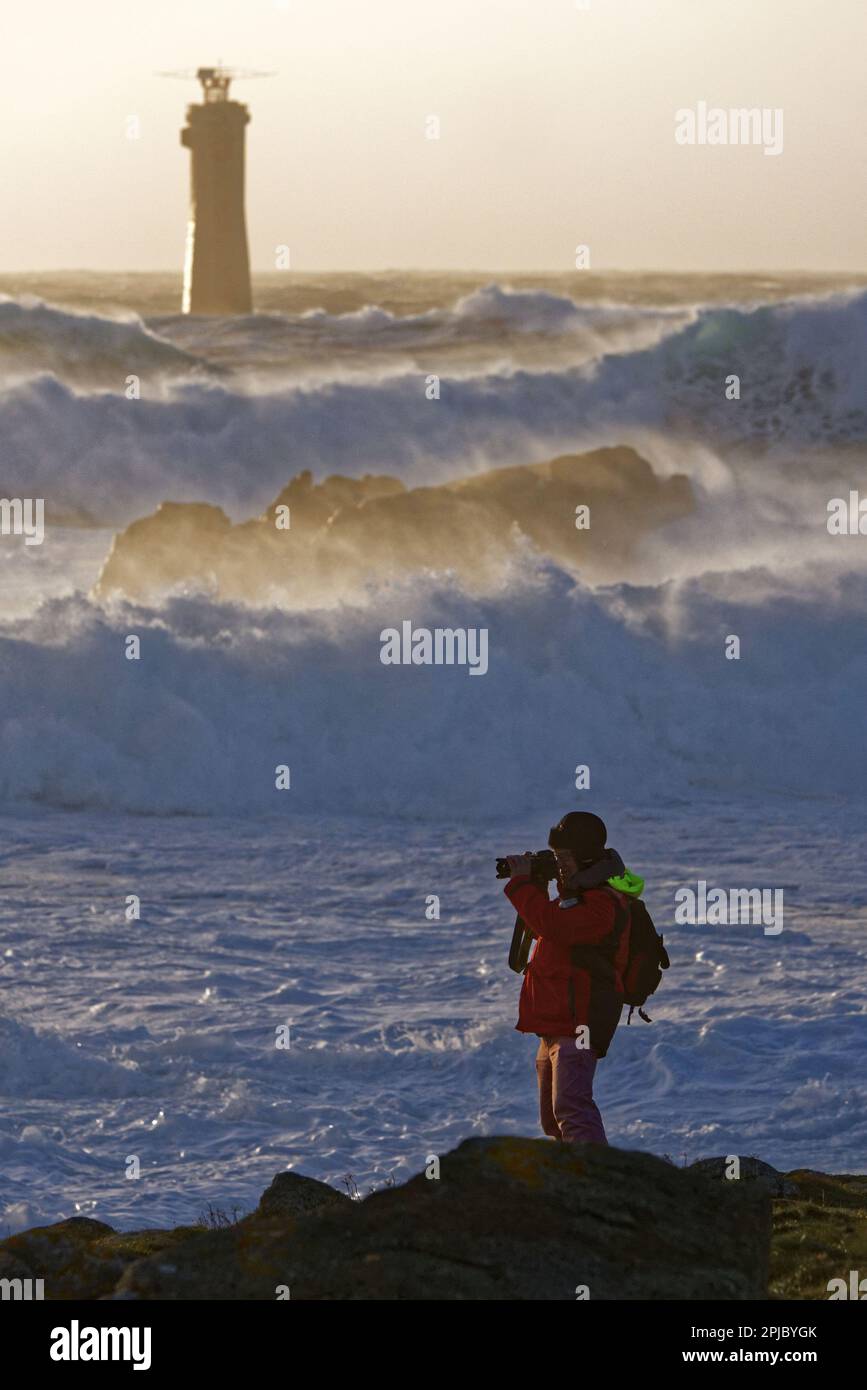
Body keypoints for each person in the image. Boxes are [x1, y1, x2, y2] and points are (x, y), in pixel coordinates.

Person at [503, 811, 644, 1145]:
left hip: (580, 1022)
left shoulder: (602, 903)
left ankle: (597, 1186)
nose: (559, 865)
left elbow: (554, 926)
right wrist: (537, 882)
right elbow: (547, 926)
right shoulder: (575, 898)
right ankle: (570, 1186)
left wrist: (523, 884)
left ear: (586, 857)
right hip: (555, 1023)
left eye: (564, 858)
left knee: (572, 1109)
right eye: (555, 857)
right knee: (553, 1121)